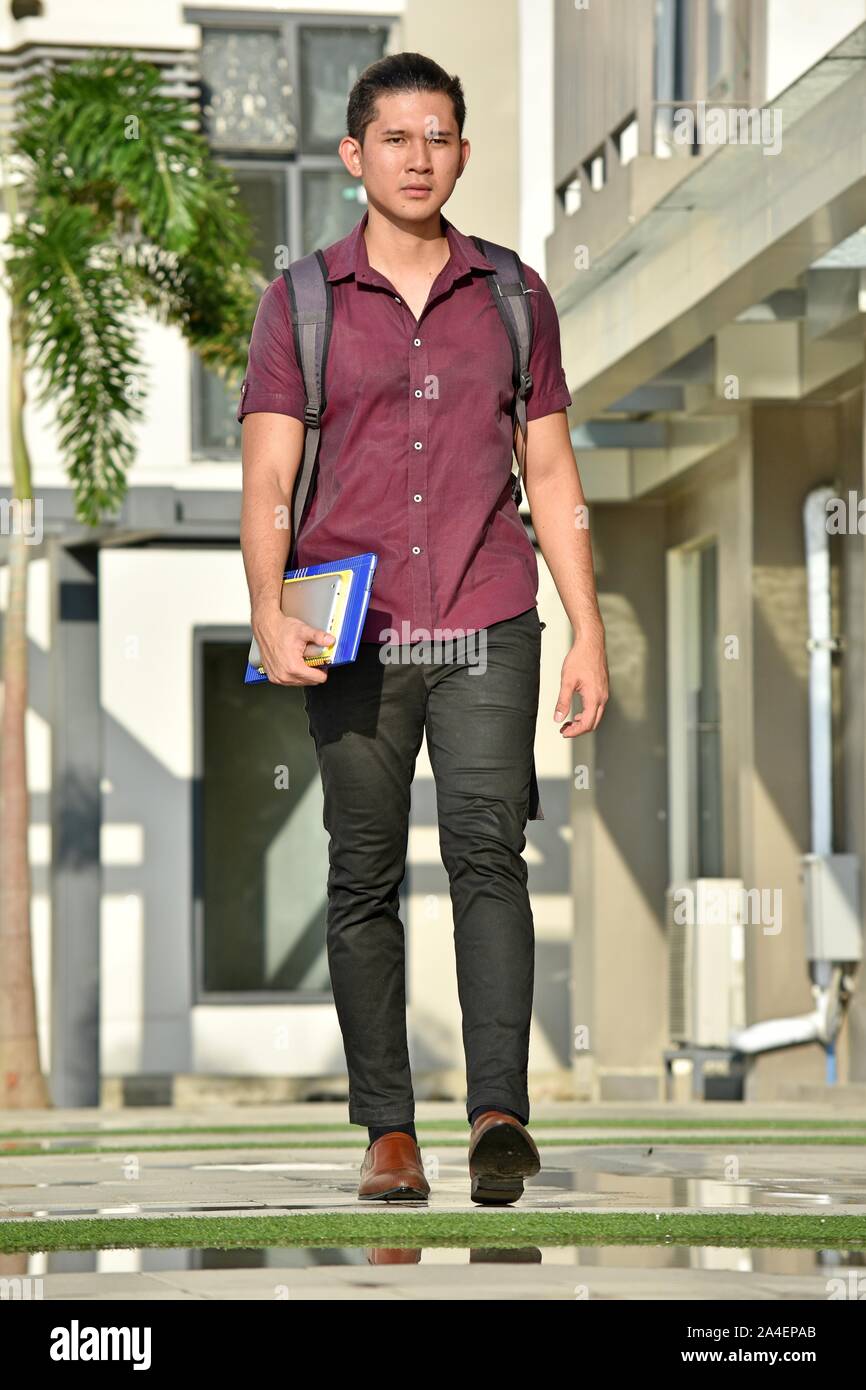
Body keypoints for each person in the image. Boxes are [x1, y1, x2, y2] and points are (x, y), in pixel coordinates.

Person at [238, 51, 609, 1206]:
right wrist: (264, 608)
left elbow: (548, 472)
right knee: (360, 875)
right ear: (354, 155)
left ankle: (497, 1109)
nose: (417, 156)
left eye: (437, 136)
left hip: (490, 611)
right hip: (349, 627)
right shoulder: (298, 299)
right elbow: (265, 480)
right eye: (394, 138)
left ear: (460, 150)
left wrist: (586, 628)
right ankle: (387, 1131)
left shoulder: (511, 292)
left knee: (488, 856)